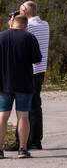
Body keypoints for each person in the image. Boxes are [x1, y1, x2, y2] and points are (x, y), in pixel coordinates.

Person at [0, 10, 43, 159]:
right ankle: (23, 149)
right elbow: (37, 60)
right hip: (24, 83)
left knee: (3, 115)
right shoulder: (29, 37)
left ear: (13, 22)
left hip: (4, 83)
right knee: (23, 116)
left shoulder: (1, 36)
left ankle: (0, 150)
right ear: (25, 25)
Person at [19, 1, 48, 149]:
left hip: (29, 70)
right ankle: (36, 140)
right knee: (36, 105)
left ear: (24, 11)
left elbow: (17, 37)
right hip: (41, 69)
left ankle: (26, 140)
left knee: (25, 107)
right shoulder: (45, 24)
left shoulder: (29, 26)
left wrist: (15, 22)